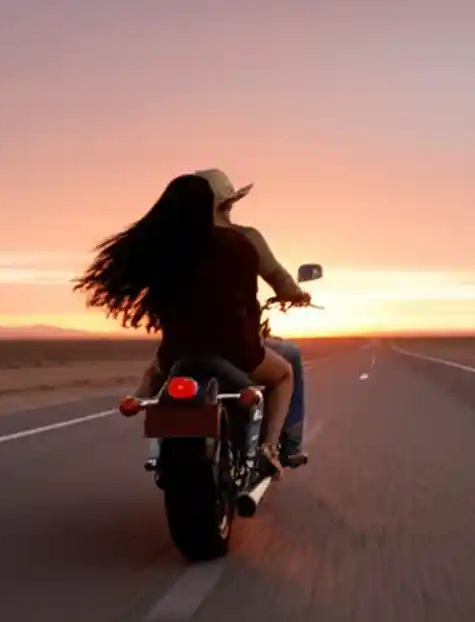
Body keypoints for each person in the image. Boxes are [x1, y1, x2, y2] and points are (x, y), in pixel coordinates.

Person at [73, 174, 294, 474]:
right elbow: (251, 297)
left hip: (178, 351)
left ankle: (144, 406)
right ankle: (269, 447)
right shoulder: (240, 242)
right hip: (236, 350)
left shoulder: (166, 248)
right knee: (284, 374)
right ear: (215, 205)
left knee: (157, 369)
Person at [193, 168, 311, 464]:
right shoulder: (245, 239)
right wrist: (297, 294)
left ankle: (158, 446)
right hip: (237, 347)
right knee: (289, 362)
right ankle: (278, 447)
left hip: (183, 347)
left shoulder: (174, 245)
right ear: (228, 203)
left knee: (156, 382)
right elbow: (278, 277)